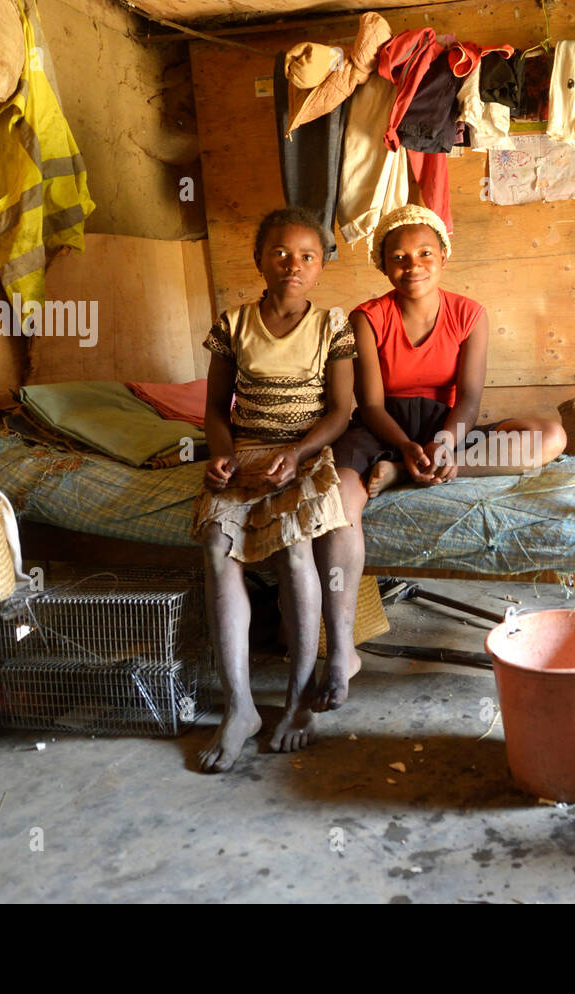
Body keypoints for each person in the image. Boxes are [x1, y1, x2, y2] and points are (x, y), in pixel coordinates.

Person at [192, 208, 362, 770]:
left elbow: (341, 411)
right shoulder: (232, 324)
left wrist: (299, 453)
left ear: (321, 265)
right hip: (245, 455)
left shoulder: (332, 326)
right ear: (260, 260)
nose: (294, 265)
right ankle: (239, 706)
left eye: (307, 256)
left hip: (306, 454)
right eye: (281, 254)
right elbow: (217, 409)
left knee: (295, 549)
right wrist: (221, 455)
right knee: (217, 546)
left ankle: (297, 700)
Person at [330, 205, 567, 555]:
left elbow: (469, 399)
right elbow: (371, 405)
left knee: (551, 436)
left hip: (446, 428)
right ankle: (407, 464)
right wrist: (407, 445)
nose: (413, 266)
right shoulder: (367, 317)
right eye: (399, 257)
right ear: (383, 265)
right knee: (341, 483)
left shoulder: (469, 314)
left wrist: (443, 444)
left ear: (443, 255)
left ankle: (418, 471)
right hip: (382, 430)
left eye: (425, 253)